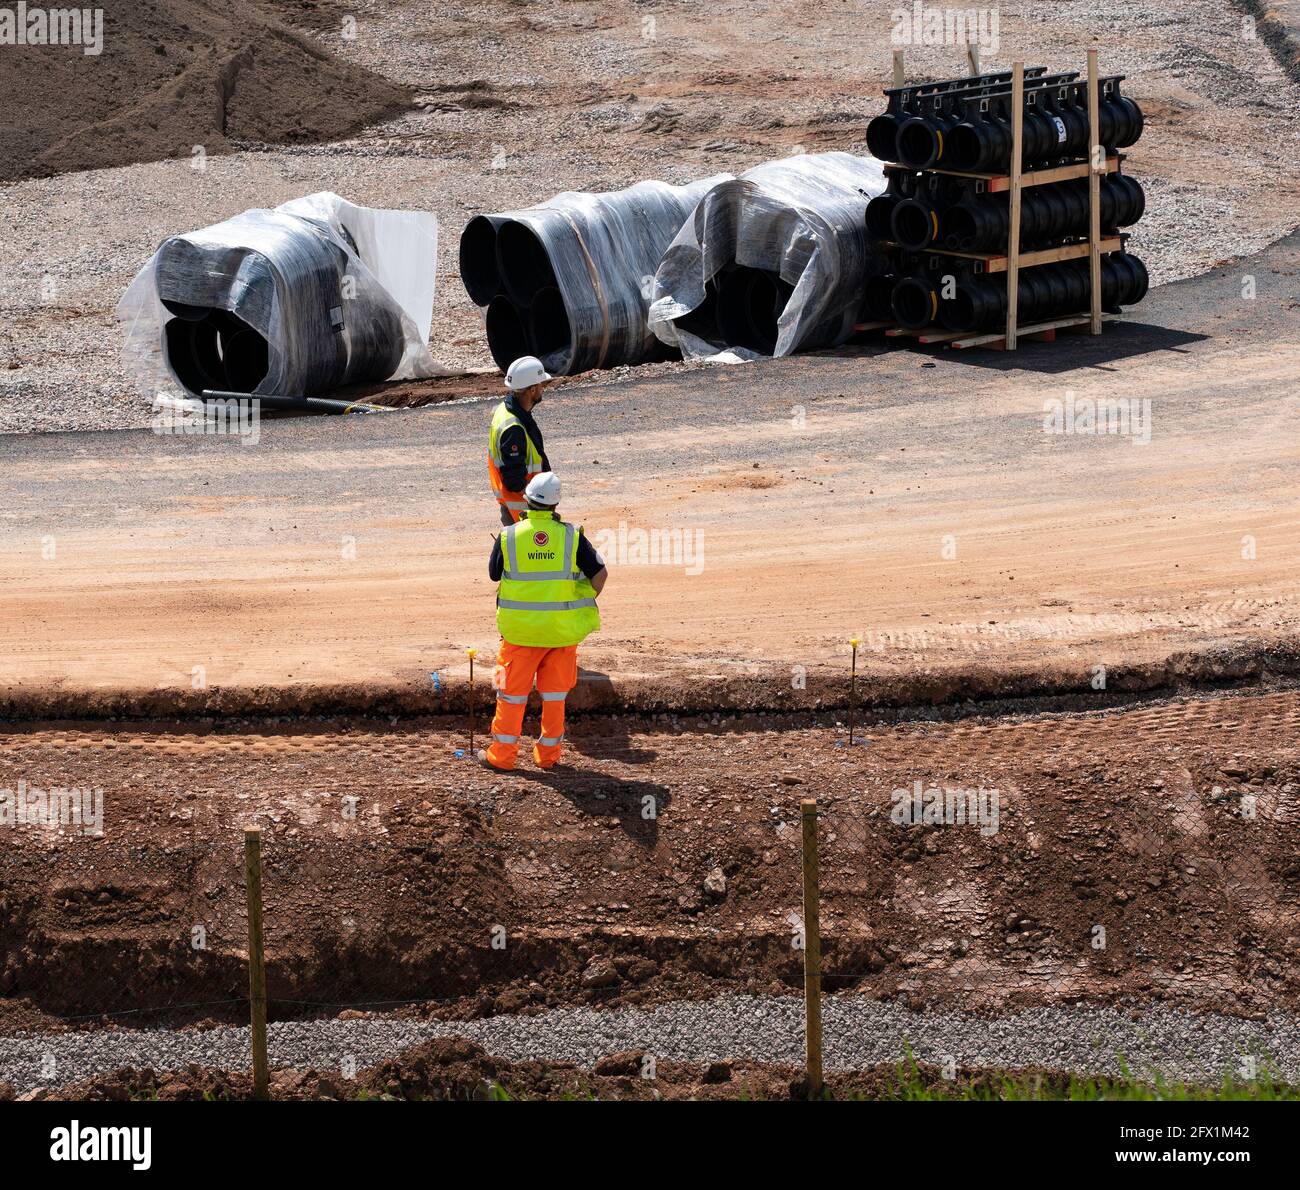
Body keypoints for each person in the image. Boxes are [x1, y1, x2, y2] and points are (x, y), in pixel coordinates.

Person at [481, 471, 607, 771]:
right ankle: (548, 758)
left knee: (510, 695)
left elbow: (493, 574)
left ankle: (502, 757)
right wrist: (581, 599)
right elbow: (600, 575)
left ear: (527, 501)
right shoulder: (572, 536)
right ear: (555, 504)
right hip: (561, 635)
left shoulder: (509, 536)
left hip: (519, 634)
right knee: (554, 697)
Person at [487, 355, 552, 526]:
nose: (543, 389)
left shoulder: (506, 411)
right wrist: (540, 498)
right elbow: (514, 480)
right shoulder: (513, 429)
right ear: (531, 390)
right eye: (541, 385)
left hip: (521, 508)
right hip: (524, 513)